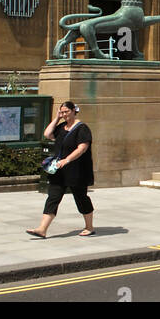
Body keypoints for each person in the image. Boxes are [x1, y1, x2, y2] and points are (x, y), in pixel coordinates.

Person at [27, 100, 95, 238]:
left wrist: (67, 159)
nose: (65, 115)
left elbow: (82, 148)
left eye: (66, 112)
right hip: (59, 170)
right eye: (62, 112)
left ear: (74, 111)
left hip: (77, 170)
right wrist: (56, 118)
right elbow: (47, 134)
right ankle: (42, 229)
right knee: (53, 197)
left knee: (81, 198)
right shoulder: (61, 127)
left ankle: (89, 227)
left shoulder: (82, 128)